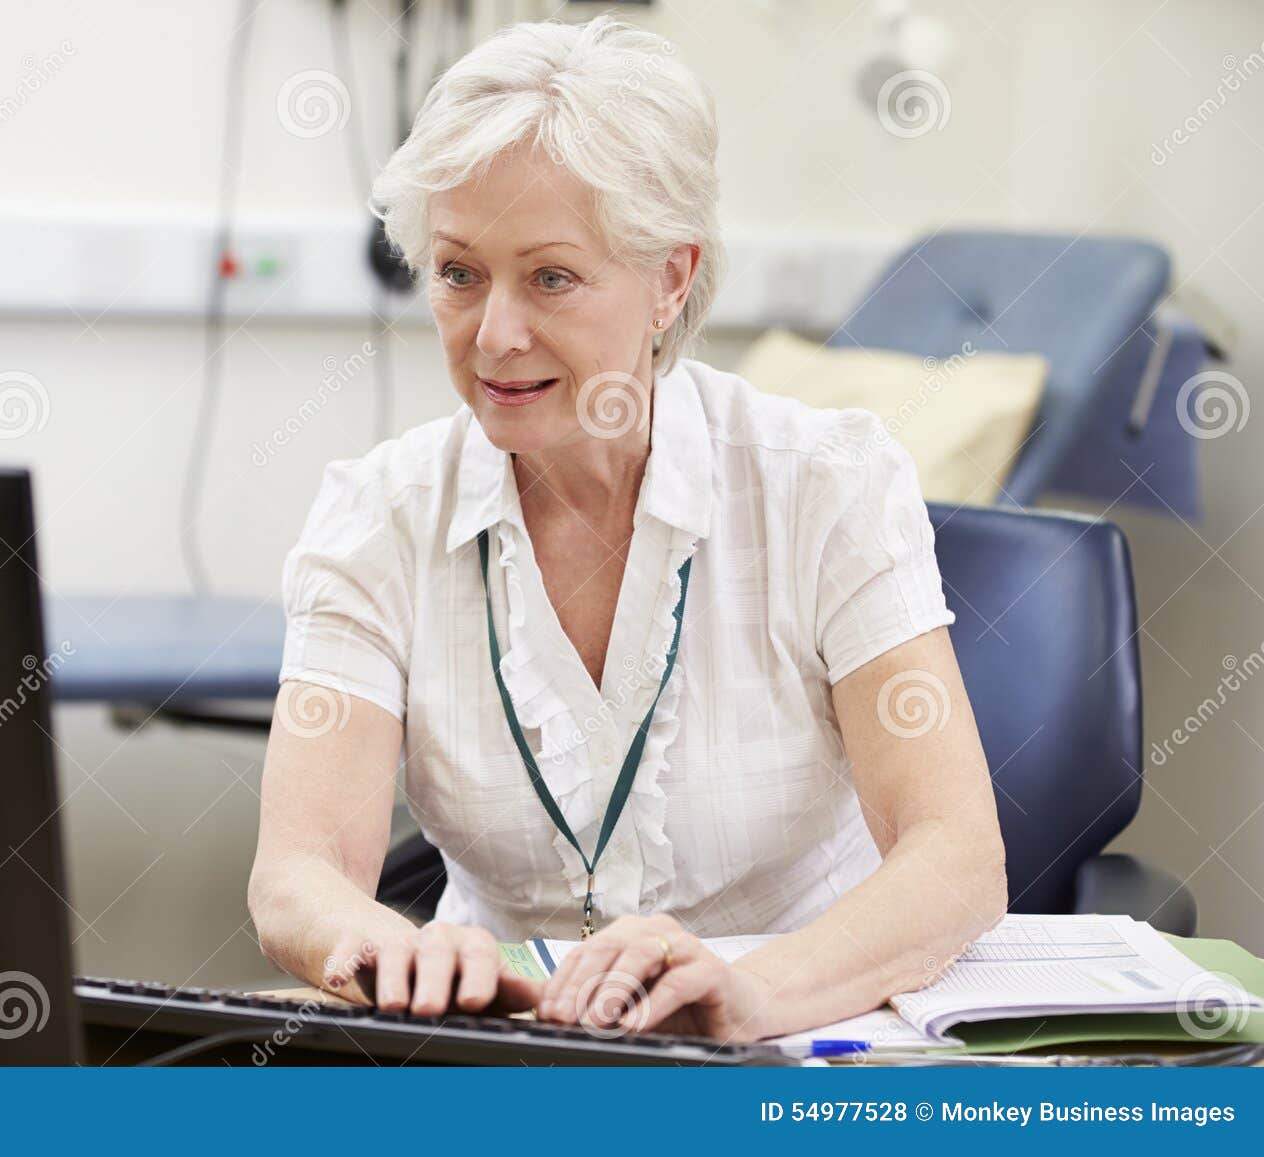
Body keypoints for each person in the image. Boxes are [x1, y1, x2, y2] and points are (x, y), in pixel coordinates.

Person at [248, 15, 1006, 1042]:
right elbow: (299, 871)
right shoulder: (380, 514)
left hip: (793, 1036)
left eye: (550, 277)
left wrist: (752, 996)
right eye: (460, 273)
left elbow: (954, 852)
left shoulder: (824, 484)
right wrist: (386, 949)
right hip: (503, 1053)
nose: (496, 334)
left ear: (669, 279)